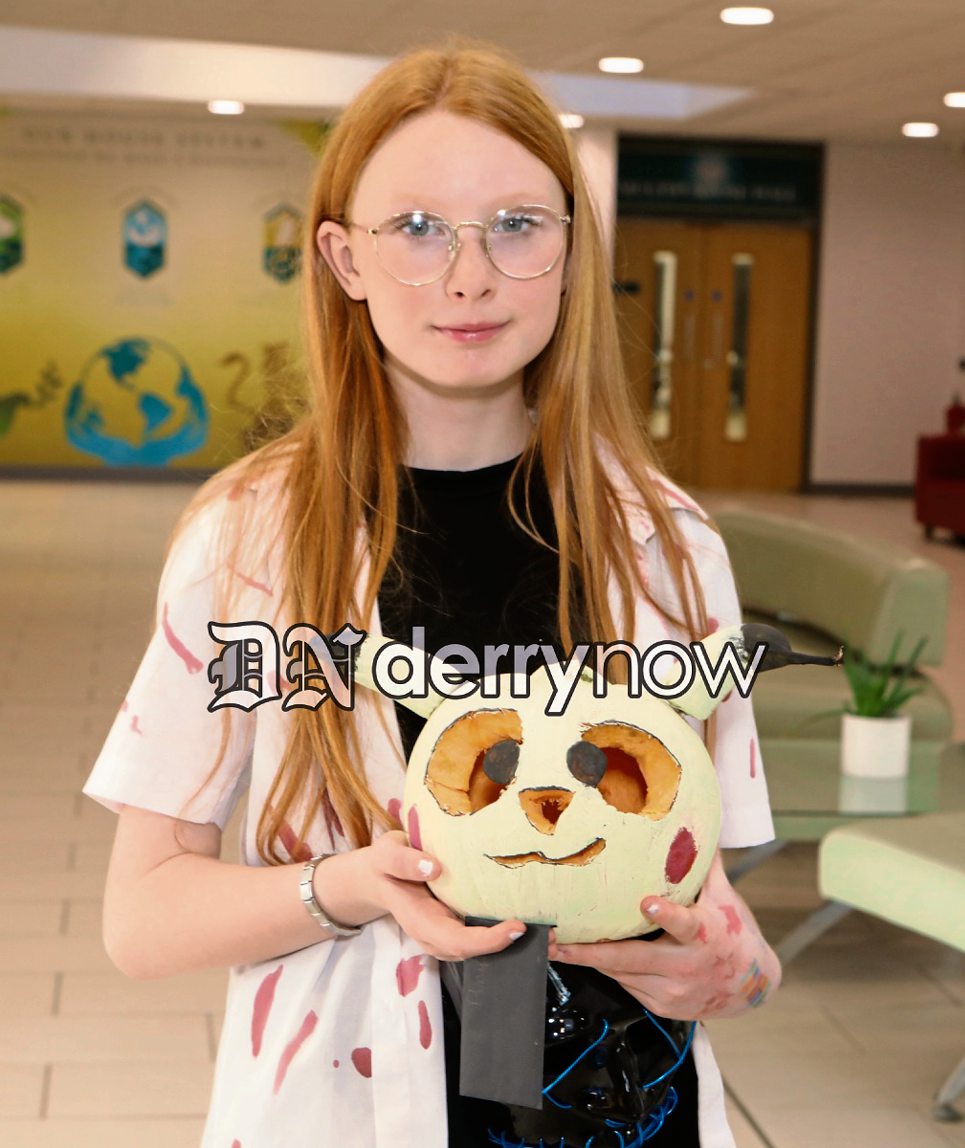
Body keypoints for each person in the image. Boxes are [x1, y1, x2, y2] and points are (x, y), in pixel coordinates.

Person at [83, 41, 781, 1148]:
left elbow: (726, 925)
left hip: (625, 1114)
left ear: (568, 249)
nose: (469, 277)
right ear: (340, 257)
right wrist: (349, 885)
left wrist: (727, 966)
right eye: (413, 228)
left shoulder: (667, 544)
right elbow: (140, 917)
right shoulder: (251, 538)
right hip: (349, 1108)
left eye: (515, 224)